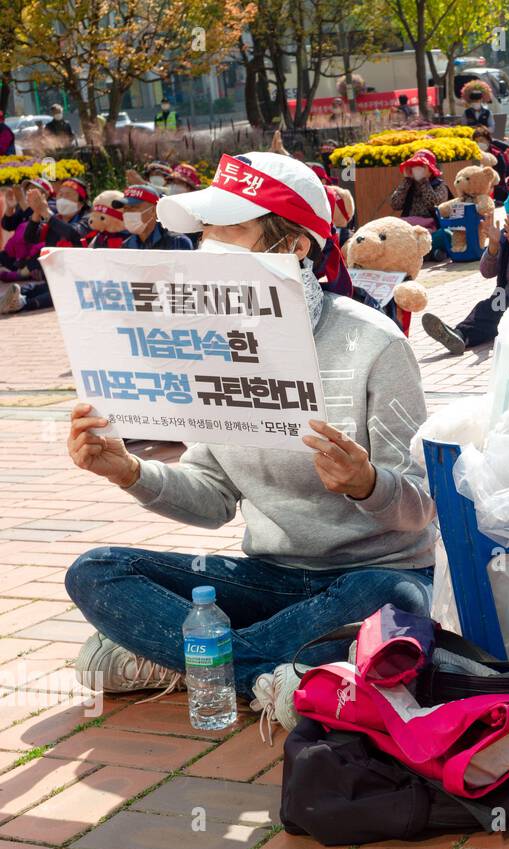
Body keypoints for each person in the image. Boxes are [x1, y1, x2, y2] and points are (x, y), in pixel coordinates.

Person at [66, 151, 436, 736]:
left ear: (292, 245)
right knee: (97, 570)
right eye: (205, 230)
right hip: (270, 579)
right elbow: (213, 497)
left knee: (391, 596)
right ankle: (267, 672)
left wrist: (368, 485)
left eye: (230, 229)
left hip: (371, 575)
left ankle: (187, 661)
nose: (209, 243)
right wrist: (130, 472)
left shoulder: (373, 343)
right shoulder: (214, 346)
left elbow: (421, 505)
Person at [422, 171, 509, 354]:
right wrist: (494, 246)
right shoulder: (508, 230)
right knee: (486, 310)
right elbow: (487, 272)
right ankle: (459, 336)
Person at [0, 179, 85, 314]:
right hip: (55, 277)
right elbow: (30, 237)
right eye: (60, 194)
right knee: (29, 288)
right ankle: (9, 299)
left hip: (77, 282)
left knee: (58, 294)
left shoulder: (87, 218)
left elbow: (72, 234)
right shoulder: (55, 218)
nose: (62, 198)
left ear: (80, 204)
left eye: (68, 195)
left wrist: (44, 211)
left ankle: (22, 304)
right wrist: (36, 212)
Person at [388, 148, 451, 261]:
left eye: (422, 166)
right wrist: (406, 180)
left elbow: (433, 204)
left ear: (430, 169)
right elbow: (395, 204)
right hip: (409, 232)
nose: (417, 169)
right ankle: (428, 254)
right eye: (415, 165)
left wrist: (424, 181)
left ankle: (420, 254)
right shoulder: (408, 185)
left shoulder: (440, 186)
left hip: (430, 231)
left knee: (446, 235)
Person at [115, 185, 194, 251]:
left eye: (133, 207)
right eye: (125, 208)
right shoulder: (126, 246)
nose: (128, 213)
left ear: (154, 210)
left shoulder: (177, 241)